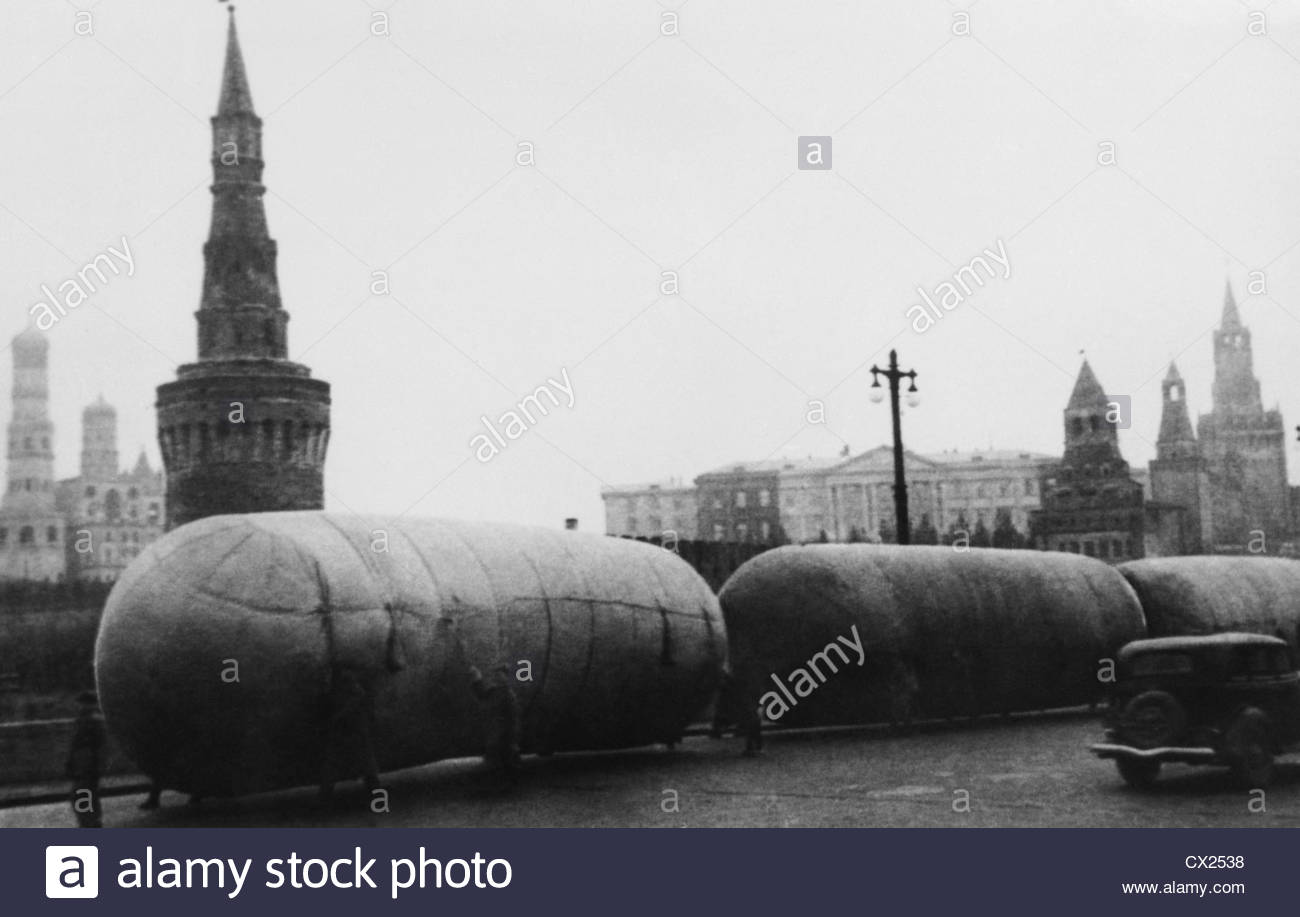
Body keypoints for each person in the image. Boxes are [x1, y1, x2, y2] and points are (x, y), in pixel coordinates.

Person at [319, 666, 382, 803]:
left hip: (354, 728)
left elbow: (358, 696)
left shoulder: (345, 678)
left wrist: (339, 716)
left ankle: (377, 799)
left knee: (367, 768)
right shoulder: (338, 682)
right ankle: (324, 800)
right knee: (334, 768)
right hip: (345, 730)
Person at [469, 663, 521, 781]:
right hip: (496, 731)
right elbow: (482, 695)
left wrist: (512, 735)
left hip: (505, 732)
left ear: (506, 677)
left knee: (508, 759)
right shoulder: (495, 691)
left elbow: (513, 718)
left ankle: (510, 782)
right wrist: (477, 679)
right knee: (497, 760)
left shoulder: (508, 694)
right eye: (496, 675)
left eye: (500, 675)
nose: (497, 677)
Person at [66, 691, 105, 828]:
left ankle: (88, 822)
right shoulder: (89, 718)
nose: (78, 706)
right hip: (84, 761)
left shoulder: (91, 719)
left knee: (82, 793)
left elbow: (93, 743)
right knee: (86, 793)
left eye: (80, 703)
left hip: (86, 762)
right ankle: (91, 821)